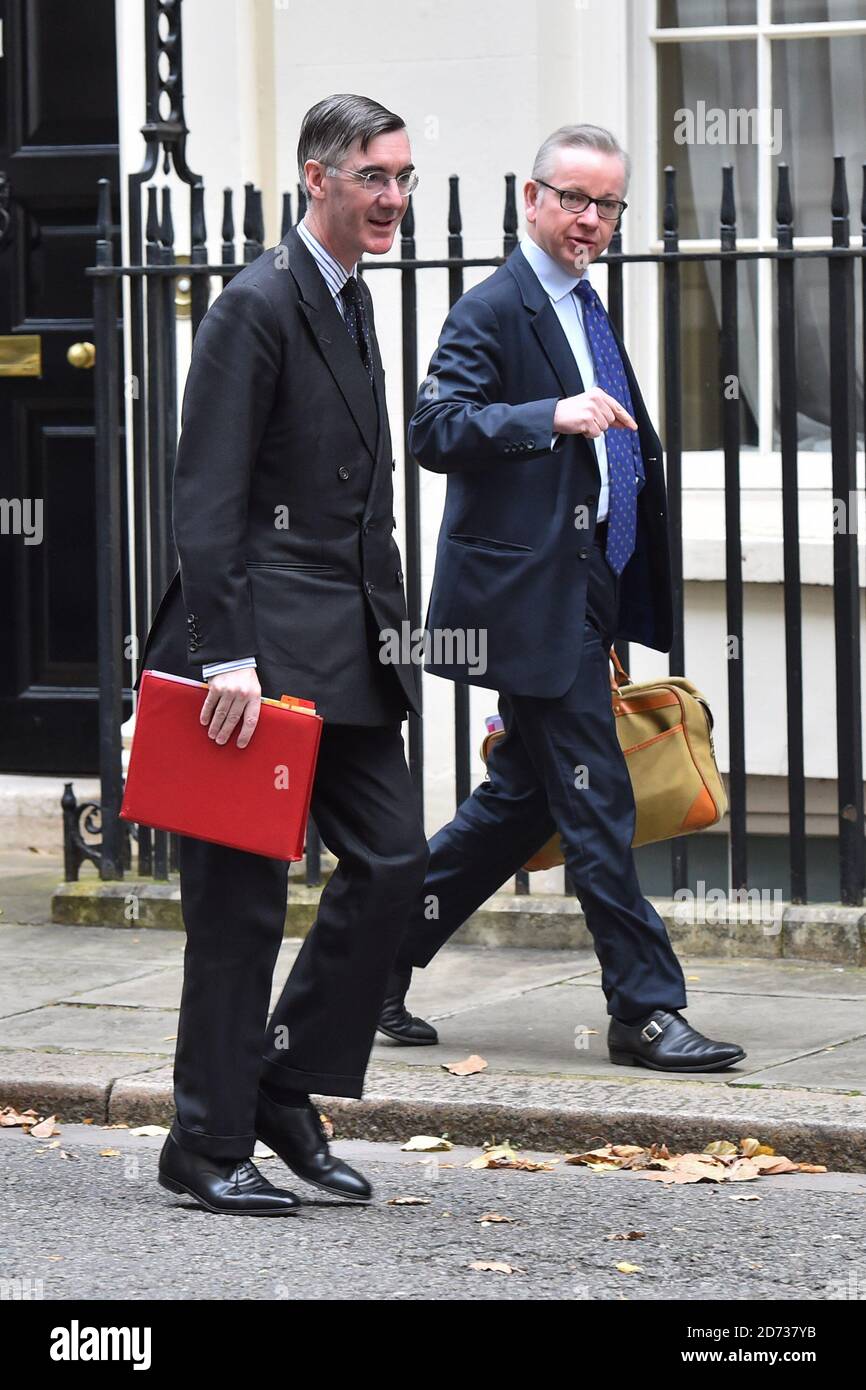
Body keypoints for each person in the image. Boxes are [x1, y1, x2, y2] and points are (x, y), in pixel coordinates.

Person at [378, 124, 745, 1075]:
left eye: (607, 204)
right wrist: (550, 415)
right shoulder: (495, 307)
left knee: (516, 805)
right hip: (527, 601)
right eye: (574, 199)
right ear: (531, 200)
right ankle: (646, 1010)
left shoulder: (585, 304)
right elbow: (435, 426)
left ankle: (366, 964)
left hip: (586, 590)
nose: (591, 219)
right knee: (596, 799)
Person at [137, 94, 429, 1214]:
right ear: (317, 178)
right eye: (373, 178)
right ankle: (204, 1141)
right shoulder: (255, 303)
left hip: (346, 645)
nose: (393, 198)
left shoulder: (350, 299)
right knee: (241, 907)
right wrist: (224, 654)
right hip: (250, 651)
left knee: (394, 860)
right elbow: (205, 495)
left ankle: (282, 1078)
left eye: (402, 177)